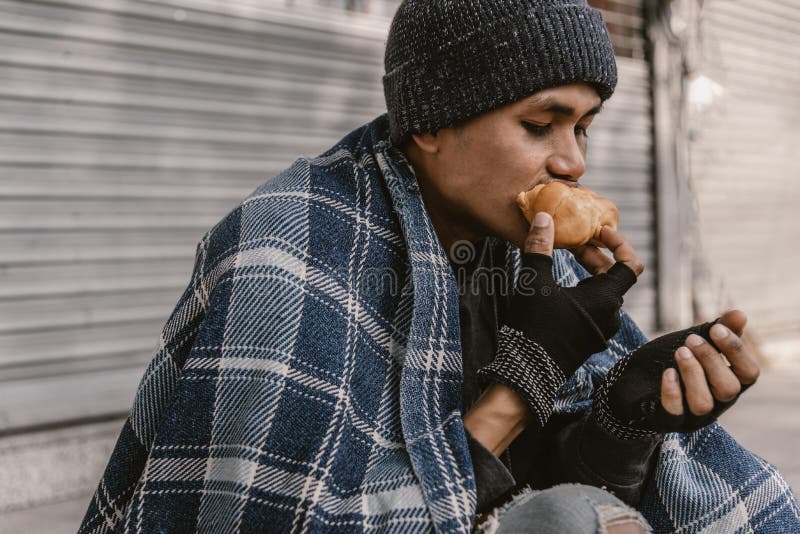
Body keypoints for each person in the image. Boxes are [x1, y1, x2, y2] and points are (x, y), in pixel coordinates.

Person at [79, 1, 800, 533]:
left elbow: (521, 489)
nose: (573, 162)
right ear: (429, 123)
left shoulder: (528, 252)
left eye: (584, 127)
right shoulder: (291, 247)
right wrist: (527, 378)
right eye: (539, 124)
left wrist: (622, 418)